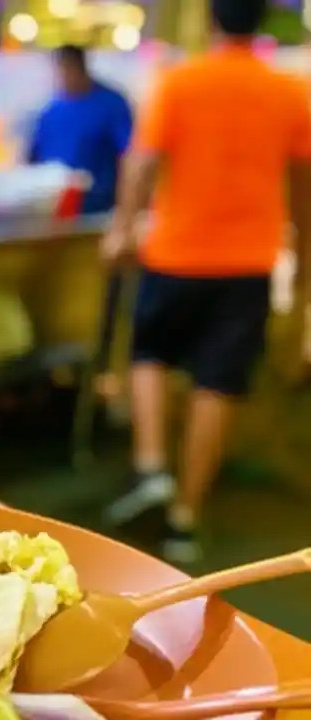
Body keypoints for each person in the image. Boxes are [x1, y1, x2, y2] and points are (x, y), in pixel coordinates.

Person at [103, 0, 311, 563]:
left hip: (175, 253)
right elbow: (303, 190)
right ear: (264, 20)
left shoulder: (179, 80)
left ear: (212, 20)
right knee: (218, 383)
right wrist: (306, 271)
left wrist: (122, 229)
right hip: (248, 264)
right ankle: (185, 518)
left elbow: (142, 164)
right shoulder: (290, 92)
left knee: (149, 353)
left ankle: (151, 465)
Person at [29, 45, 133, 214]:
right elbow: (35, 158)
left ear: (80, 67)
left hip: (98, 205)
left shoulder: (111, 105)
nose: (62, 76)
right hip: (55, 205)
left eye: (67, 69)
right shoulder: (51, 110)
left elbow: (128, 155)